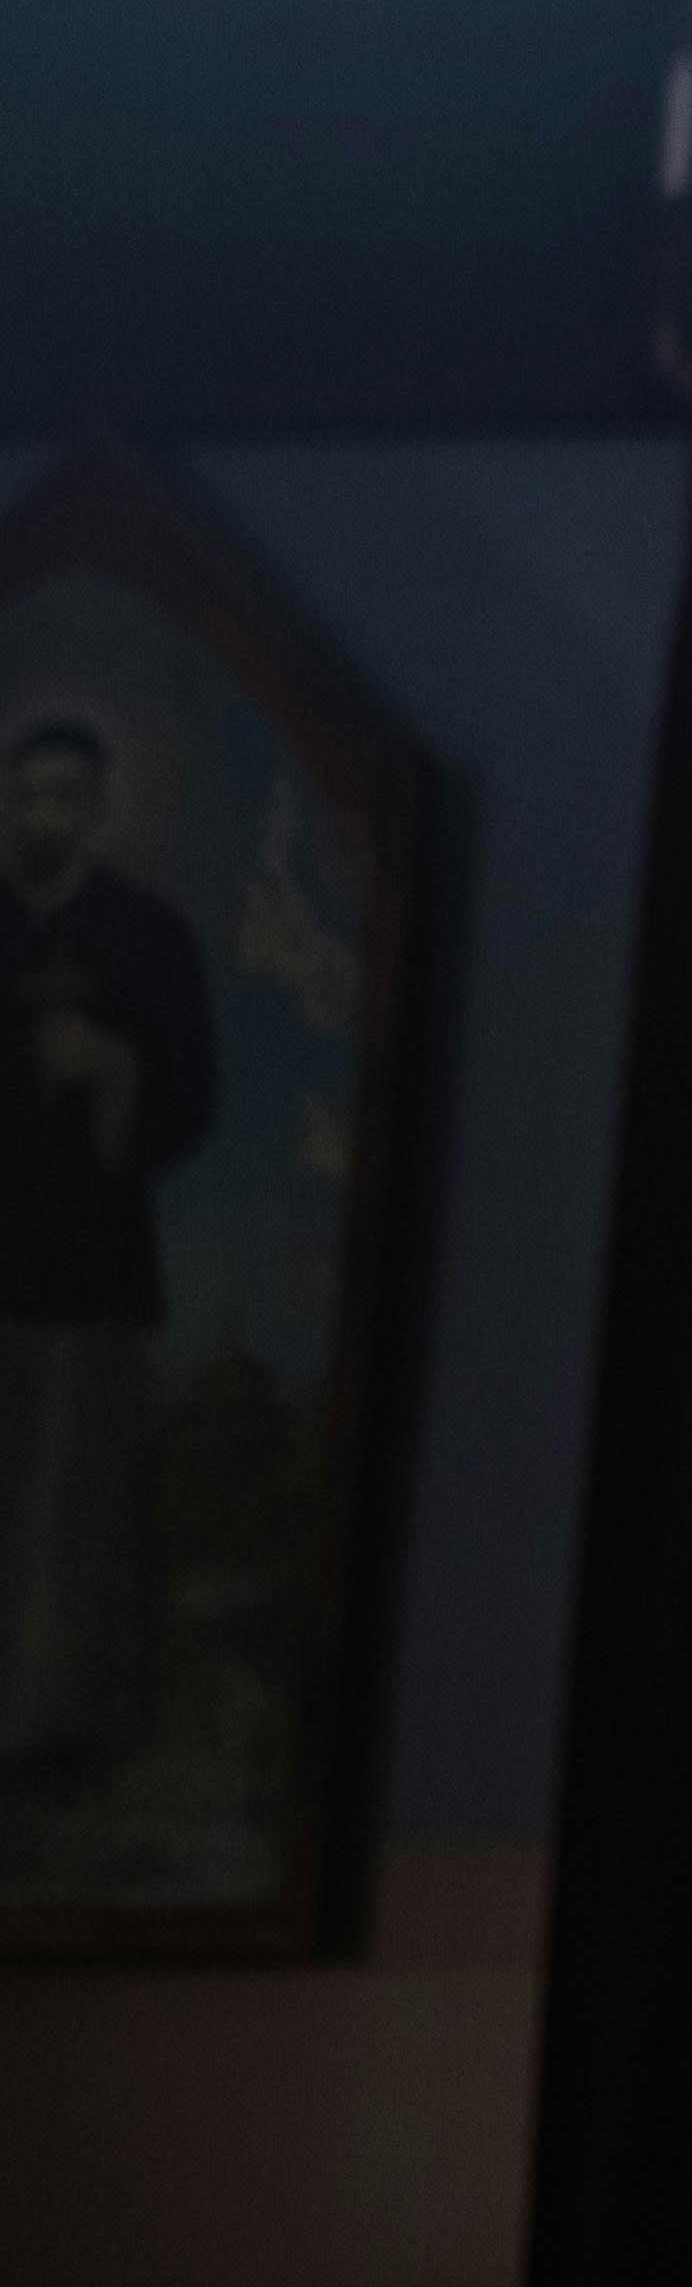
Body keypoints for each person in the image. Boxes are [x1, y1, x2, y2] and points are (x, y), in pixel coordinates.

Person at [0, 709, 219, 1771]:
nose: (42, 812)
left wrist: (117, 1068)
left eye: (63, 794)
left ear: (95, 806)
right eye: (25, 791)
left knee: (71, 1506)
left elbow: (193, 1095)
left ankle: (62, 1733)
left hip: (88, 1263)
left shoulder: (145, 933)